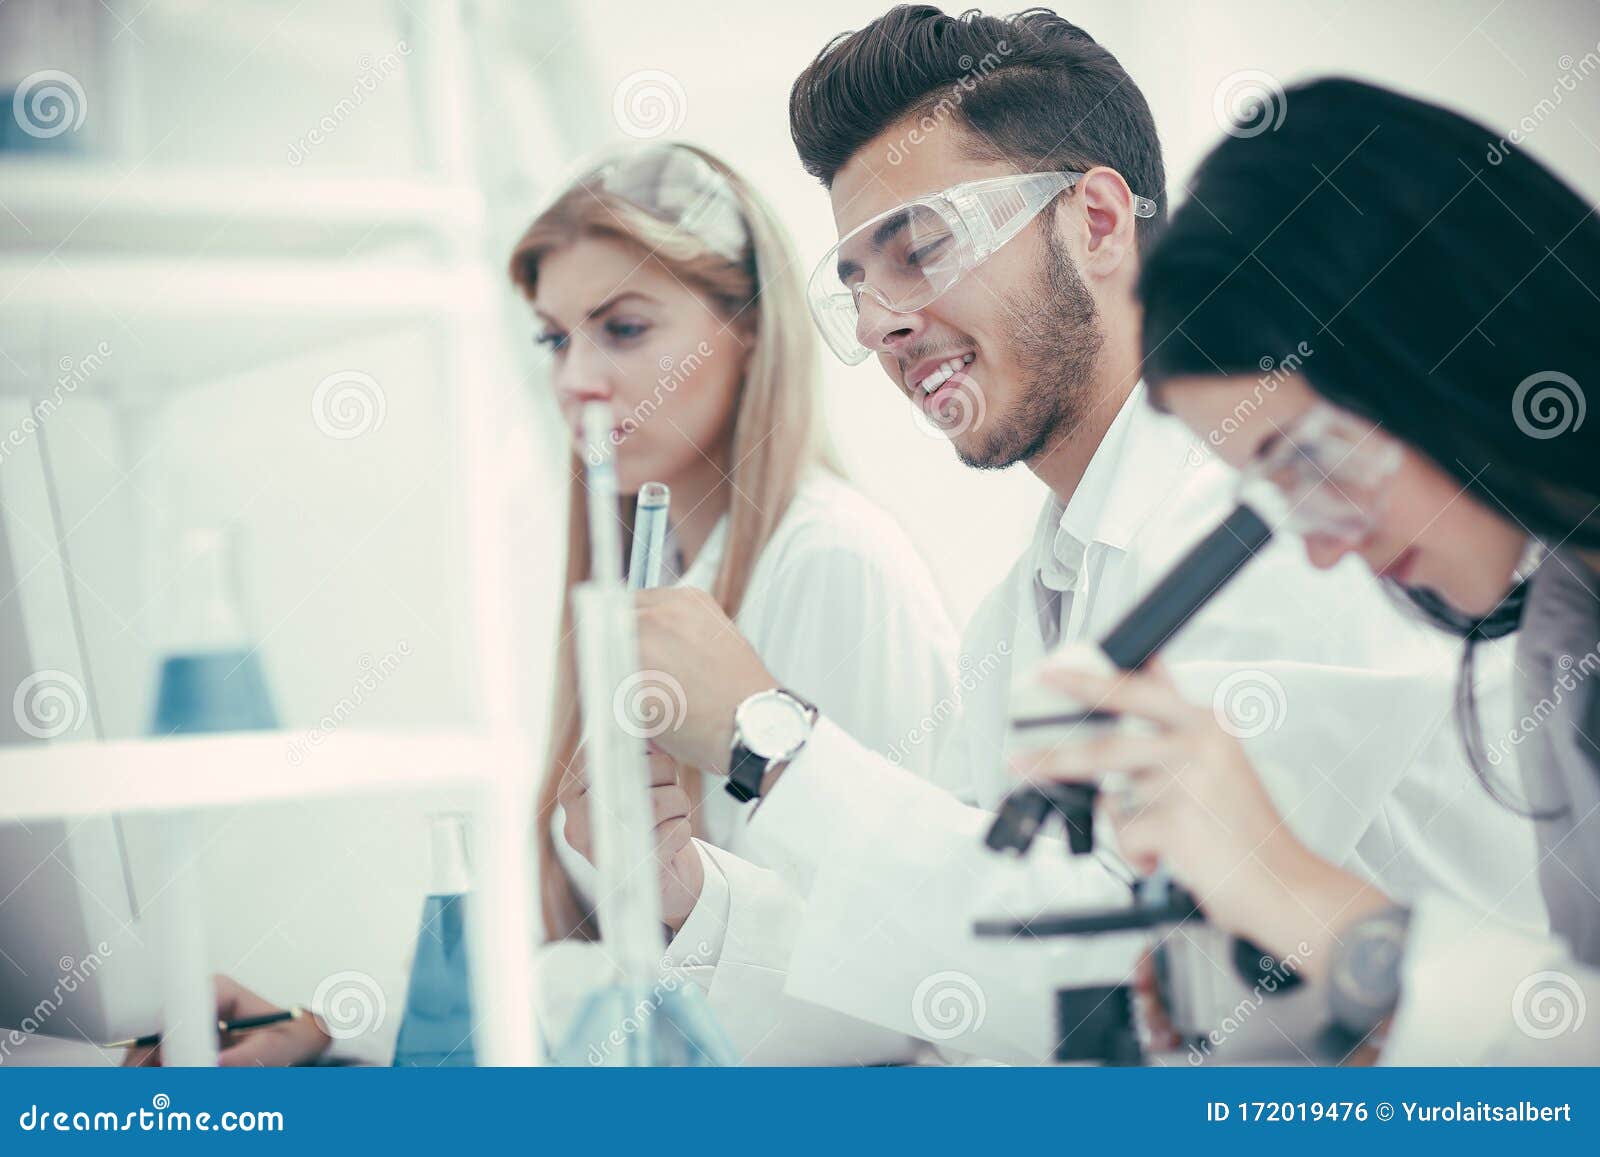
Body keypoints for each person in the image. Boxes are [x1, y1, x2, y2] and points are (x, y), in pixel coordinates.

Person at [629, 6, 1547, 1064]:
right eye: (859, 284)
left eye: (919, 247)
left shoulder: (1279, 526)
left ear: (1099, 222)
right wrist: (697, 898)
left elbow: (1136, 994)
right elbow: (973, 977)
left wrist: (766, 738)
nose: (882, 321)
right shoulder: (1016, 611)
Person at [1022, 77, 1599, 1063]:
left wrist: (1298, 893)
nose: (1324, 545)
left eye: (1310, 458)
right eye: (1279, 491)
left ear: (1437, 341)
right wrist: (1284, 1006)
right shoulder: (1560, 619)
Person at [508, 142, 956, 982]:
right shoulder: (636, 590)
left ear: (750, 327)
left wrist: (684, 896)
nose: (574, 379)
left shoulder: (833, 563)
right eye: (552, 338)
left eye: (623, 329)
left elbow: (896, 973)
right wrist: (338, 1023)